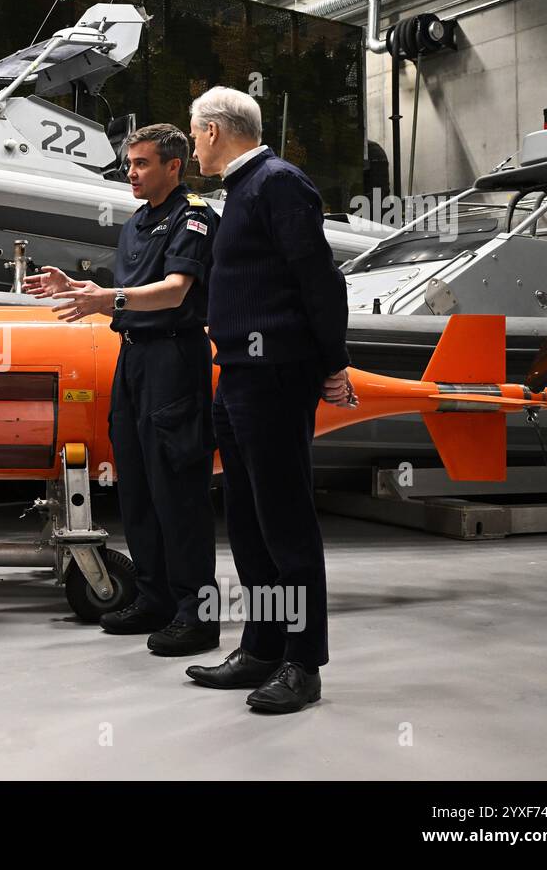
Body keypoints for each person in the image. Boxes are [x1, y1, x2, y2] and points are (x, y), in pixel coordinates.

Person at [183, 86, 352, 713]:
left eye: (195, 130)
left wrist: (334, 362)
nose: (193, 140)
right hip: (238, 376)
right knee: (250, 523)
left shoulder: (279, 183)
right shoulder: (241, 191)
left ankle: (303, 664)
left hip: (277, 375)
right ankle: (262, 646)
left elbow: (320, 278)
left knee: (285, 522)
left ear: (216, 130)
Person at [25, 124, 219, 656]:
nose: (131, 173)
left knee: (178, 493)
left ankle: (197, 616)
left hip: (175, 359)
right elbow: (125, 291)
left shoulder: (195, 216)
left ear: (173, 166)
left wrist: (105, 301)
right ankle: (155, 598)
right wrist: (80, 289)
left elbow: (175, 291)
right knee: (137, 488)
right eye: (128, 164)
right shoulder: (136, 224)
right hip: (133, 358)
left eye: (141, 164)